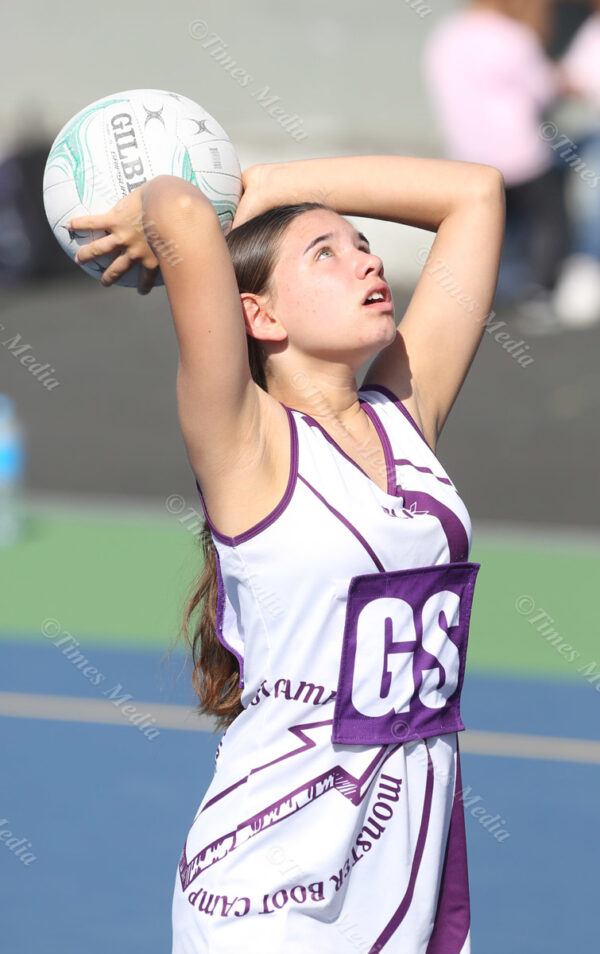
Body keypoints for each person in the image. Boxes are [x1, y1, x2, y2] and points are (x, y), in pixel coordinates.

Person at [67, 152, 504, 953]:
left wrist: (267, 186)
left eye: (363, 243)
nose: (367, 259)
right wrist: (171, 198)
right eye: (325, 254)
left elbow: (473, 195)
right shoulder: (246, 446)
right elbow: (187, 219)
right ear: (260, 317)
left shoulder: (407, 412)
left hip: (408, 867)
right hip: (266, 886)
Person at [423, 0, 569, 333]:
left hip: (470, 154)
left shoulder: (446, 36)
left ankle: (475, 298)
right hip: (521, 153)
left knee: (485, 228)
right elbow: (542, 91)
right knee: (547, 219)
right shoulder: (514, 36)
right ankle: (539, 295)